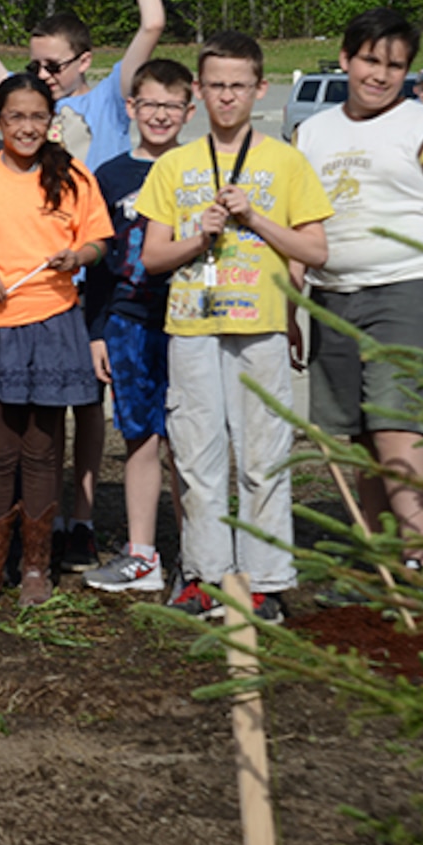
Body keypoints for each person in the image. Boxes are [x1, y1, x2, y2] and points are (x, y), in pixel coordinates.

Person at [0, 0, 167, 570]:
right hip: (33, 286)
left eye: (54, 64)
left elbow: (153, 25)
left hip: (93, 275)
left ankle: (79, 512)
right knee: (41, 411)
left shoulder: (108, 98)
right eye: (34, 63)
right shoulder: (23, 103)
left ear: (85, 62)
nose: (41, 75)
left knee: (89, 402)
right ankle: (38, 521)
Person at [138, 31, 332, 624]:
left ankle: (264, 581)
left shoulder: (285, 160)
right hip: (193, 327)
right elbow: (151, 258)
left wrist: (256, 217)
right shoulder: (175, 165)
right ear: (199, 90)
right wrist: (203, 234)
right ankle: (206, 574)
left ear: (260, 89)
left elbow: (316, 251)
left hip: (261, 324)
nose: (227, 97)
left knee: (263, 453)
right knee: (197, 456)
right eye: (216, 86)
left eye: (238, 86)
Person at [296, 9, 423, 569]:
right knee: (360, 437)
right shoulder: (312, 132)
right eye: (369, 61)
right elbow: (300, 224)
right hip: (332, 298)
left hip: (410, 290)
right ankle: (383, 563)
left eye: (394, 66)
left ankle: (421, 559)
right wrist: (291, 304)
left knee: (397, 427)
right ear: (345, 59)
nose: (380, 75)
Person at [0, 74, 113, 608]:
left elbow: (100, 240)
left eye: (38, 117)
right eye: (16, 117)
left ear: (50, 122)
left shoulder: (73, 175)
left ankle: (36, 568)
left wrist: (79, 257)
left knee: (42, 450)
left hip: (54, 325)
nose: (28, 127)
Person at [80, 59, 195, 594]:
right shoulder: (112, 175)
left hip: (193, 321)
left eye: (172, 106)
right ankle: (143, 554)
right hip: (130, 321)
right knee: (141, 437)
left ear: (188, 111)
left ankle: (197, 557)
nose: (160, 115)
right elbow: (100, 264)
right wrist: (97, 329)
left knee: (193, 442)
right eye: (150, 104)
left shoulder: (200, 168)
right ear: (132, 107)